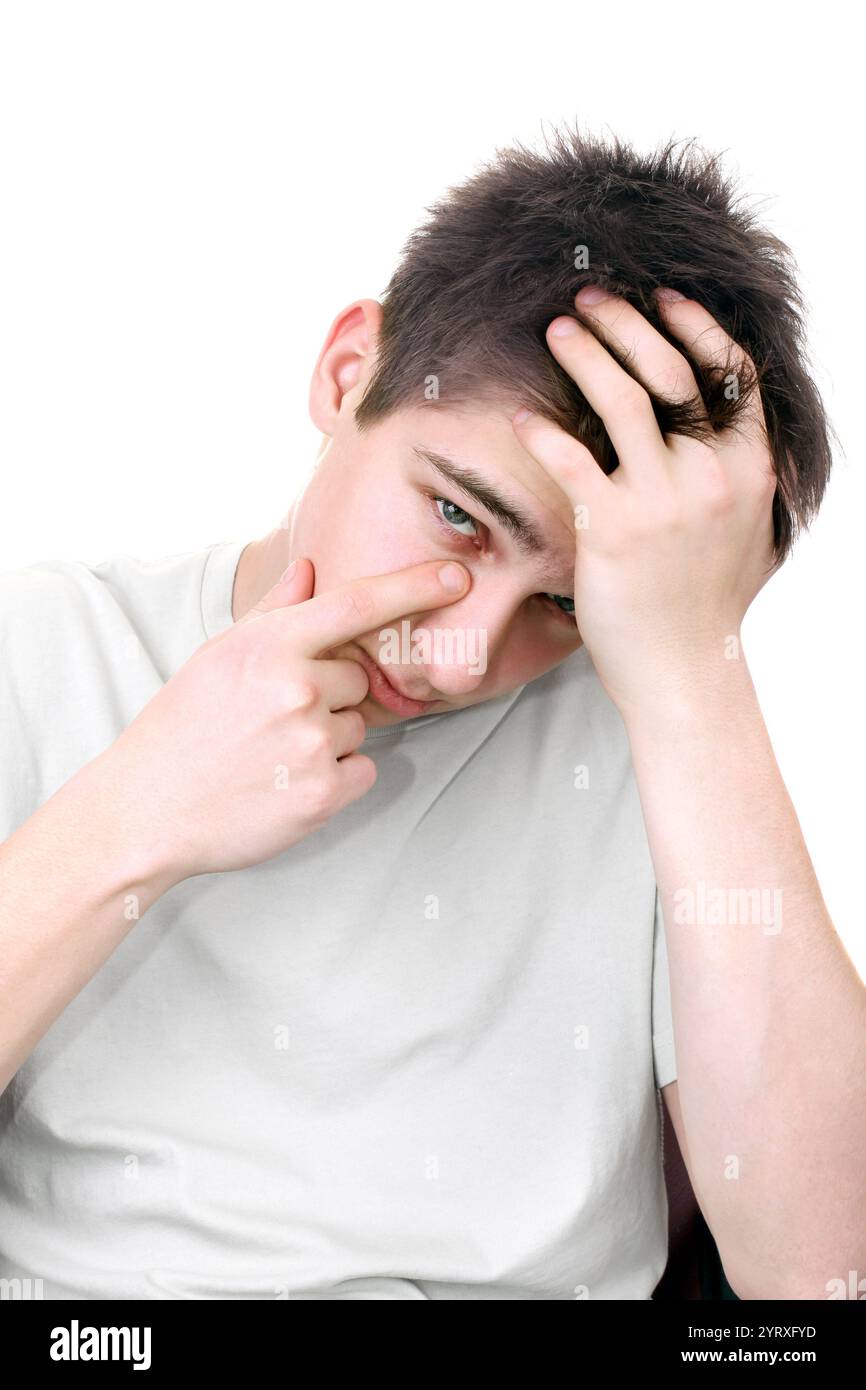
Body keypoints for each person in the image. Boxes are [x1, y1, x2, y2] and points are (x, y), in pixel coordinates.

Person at [1, 127, 863, 1301]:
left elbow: (821, 1287)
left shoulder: (662, 735)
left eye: (562, 599)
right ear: (349, 369)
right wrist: (131, 818)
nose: (464, 657)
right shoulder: (45, 648)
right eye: (457, 517)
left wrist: (690, 677)